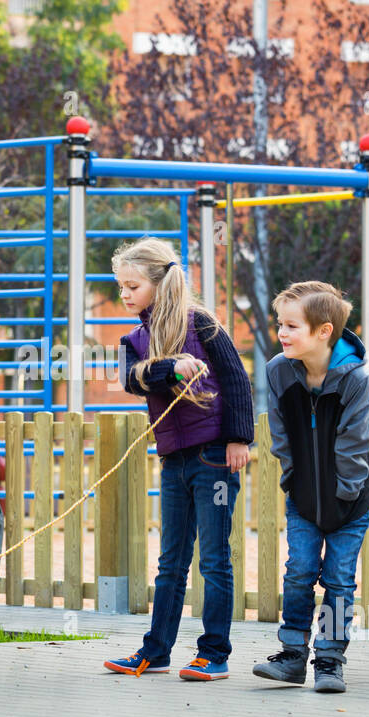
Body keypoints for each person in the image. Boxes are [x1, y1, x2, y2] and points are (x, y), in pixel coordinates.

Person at [102, 238, 254, 681]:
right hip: (173, 460)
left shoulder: (202, 323)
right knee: (171, 562)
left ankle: (214, 654)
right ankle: (157, 651)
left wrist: (238, 439)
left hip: (212, 459)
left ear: (158, 282)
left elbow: (236, 381)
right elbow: (132, 380)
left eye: (132, 286)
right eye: (121, 287)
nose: (125, 295)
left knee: (214, 559)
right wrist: (171, 367)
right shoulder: (135, 339)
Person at [254, 281, 369, 693]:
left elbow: (355, 443)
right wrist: (294, 480)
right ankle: (292, 657)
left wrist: (343, 496)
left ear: (324, 331)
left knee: (339, 580)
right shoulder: (278, 371)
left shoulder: (354, 378)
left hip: (351, 500)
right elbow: (280, 436)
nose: (282, 334)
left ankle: (329, 660)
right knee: (299, 572)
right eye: (280, 324)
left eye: (291, 326)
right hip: (304, 497)